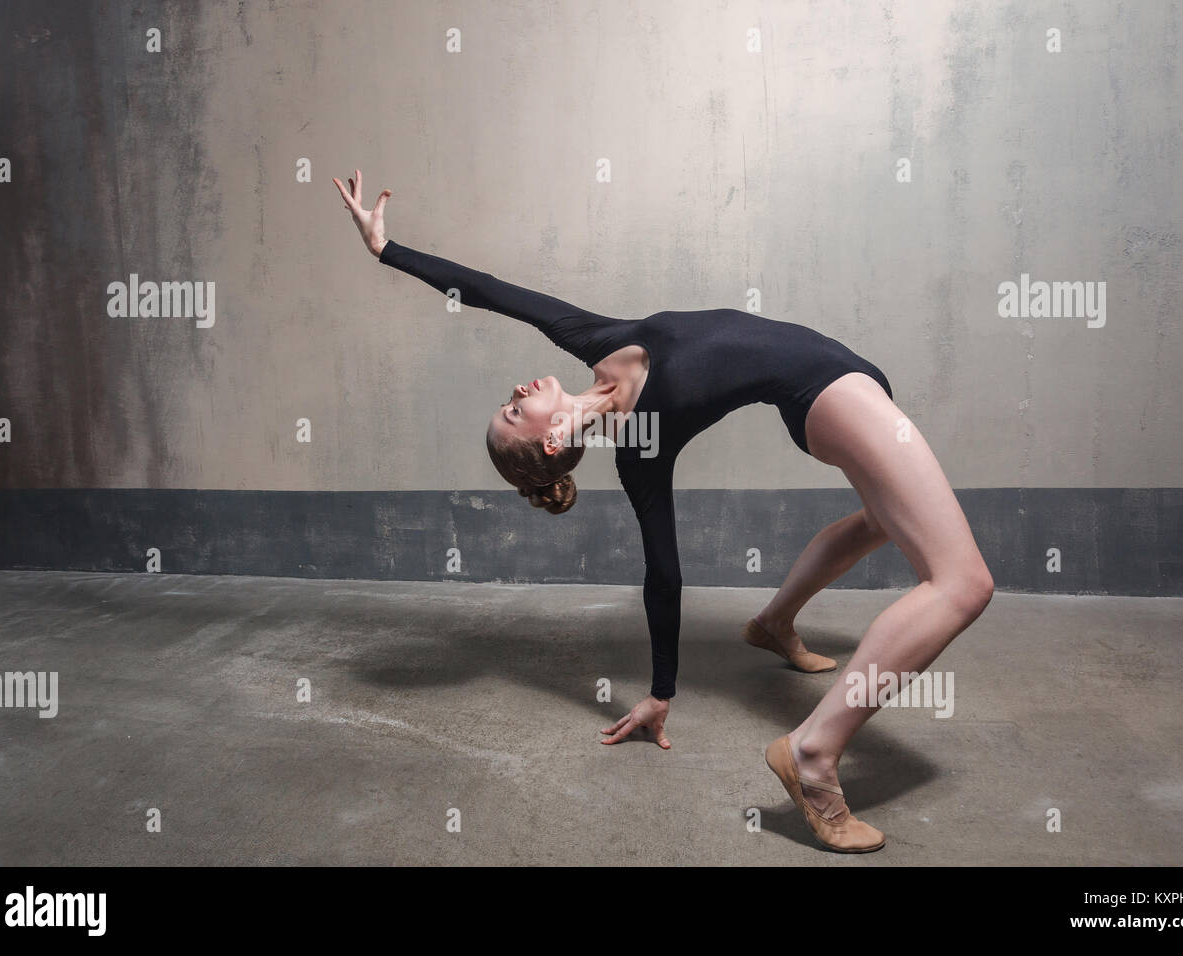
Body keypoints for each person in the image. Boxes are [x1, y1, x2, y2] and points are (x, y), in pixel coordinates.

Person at [334, 171, 993, 852]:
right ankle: (814, 755)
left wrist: (388, 250)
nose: (517, 389)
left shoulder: (596, 343)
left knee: (883, 520)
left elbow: (497, 293)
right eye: (514, 411)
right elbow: (663, 574)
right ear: (552, 440)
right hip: (826, 392)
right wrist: (659, 690)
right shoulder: (637, 453)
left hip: (839, 379)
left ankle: (773, 623)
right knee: (962, 584)